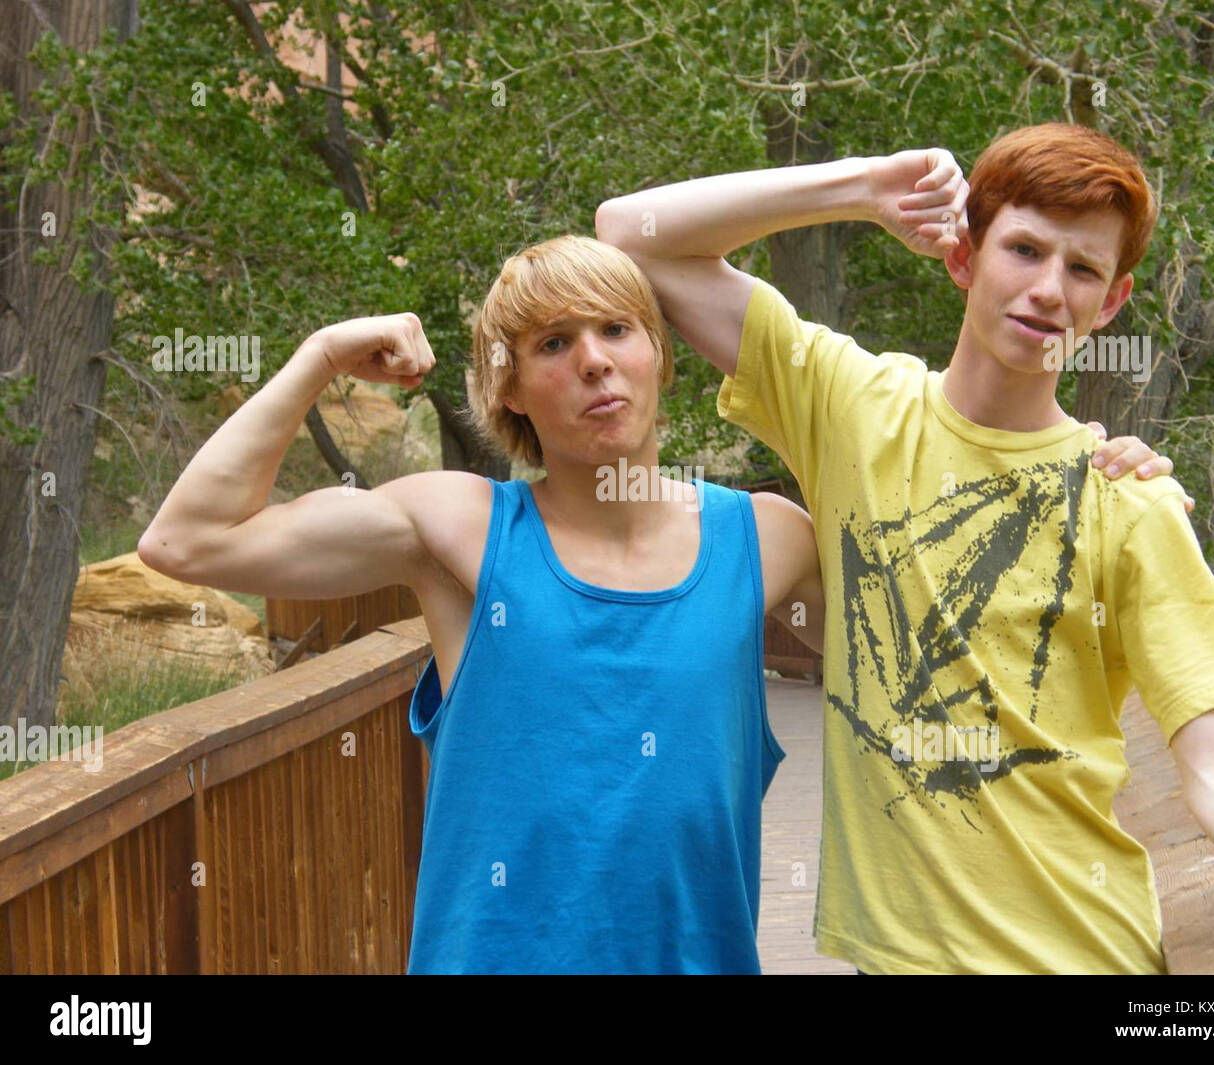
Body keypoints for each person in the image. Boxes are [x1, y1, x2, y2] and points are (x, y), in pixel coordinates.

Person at [596, 123, 1214, 973]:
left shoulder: (1131, 500)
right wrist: (861, 188)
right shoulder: (851, 403)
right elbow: (629, 232)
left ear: (1111, 303)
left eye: (1081, 270)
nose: (1047, 290)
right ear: (963, 256)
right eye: (1025, 249)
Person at [140, 234, 830, 973]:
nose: (594, 359)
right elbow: (185, 541)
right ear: (510, 388)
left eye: (616, 329)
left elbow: (917, 668)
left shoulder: (767, 540)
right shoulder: (463, 531)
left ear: (659, 353)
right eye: (555, 343)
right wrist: (322, 356)